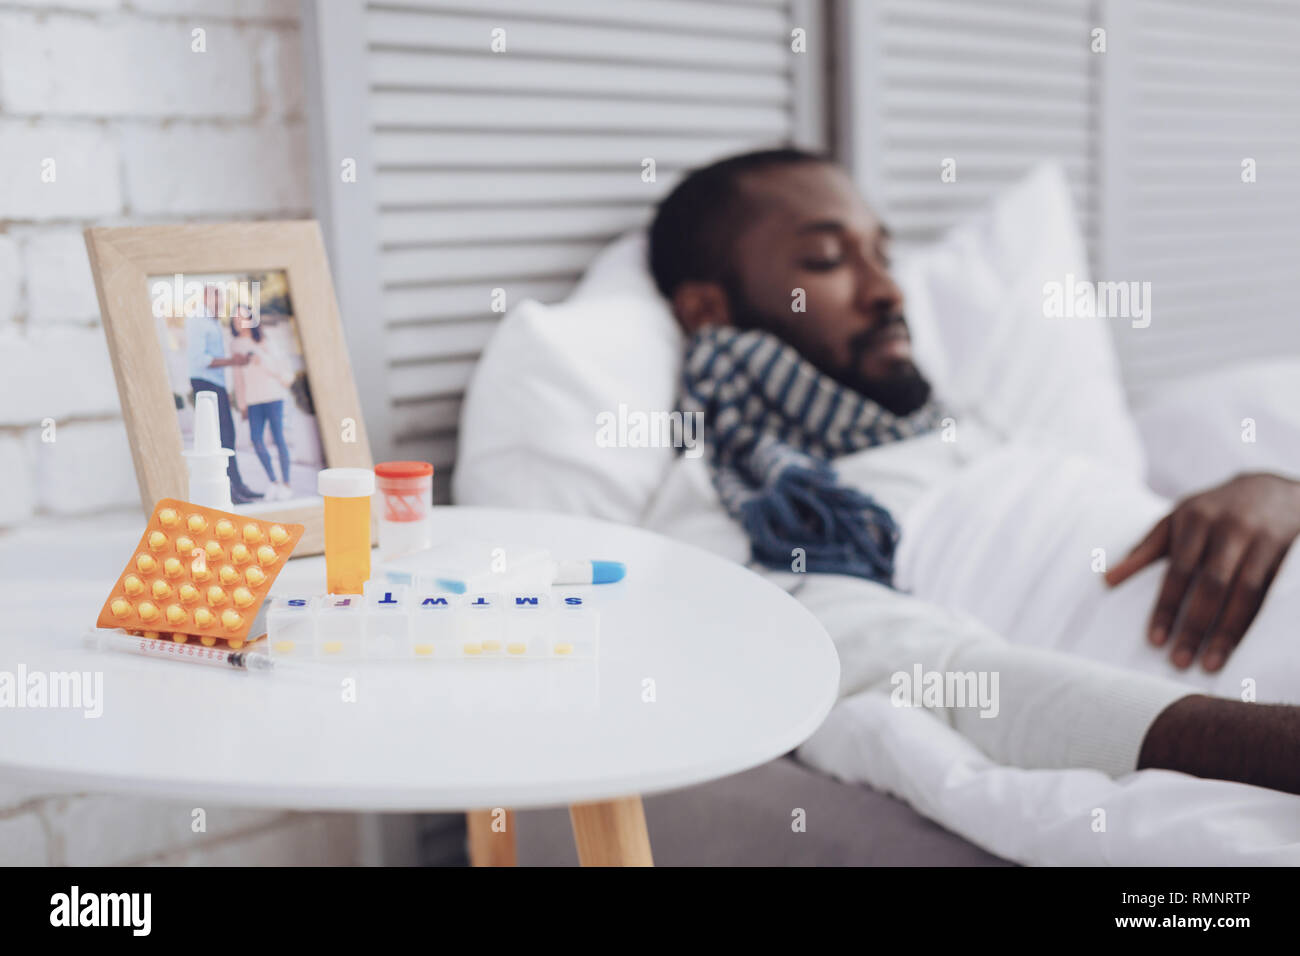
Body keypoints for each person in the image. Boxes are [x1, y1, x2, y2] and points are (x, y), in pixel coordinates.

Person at [648, 148, 1300, 795]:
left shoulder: (968, 425)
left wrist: (1274, 489)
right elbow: (956, 685)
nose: (888, 291)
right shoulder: (747, 512)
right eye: (825, 260)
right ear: (708, 310)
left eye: (883, 255)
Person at [187, 287, 260, 504]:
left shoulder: (212, 321)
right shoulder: (198, 321)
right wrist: (233, 361)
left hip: (215, 384)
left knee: (228, 436)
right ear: (206, 300)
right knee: (222, 438)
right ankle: (230, 490)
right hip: (205, 383)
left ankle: (237, 486)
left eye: (221, 302)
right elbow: (200, 360)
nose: (219, 306)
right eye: (215, 301)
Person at [230, 308, 295, 501]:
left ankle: (287, 484)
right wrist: (241, 403)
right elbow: (237, 376)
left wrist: (261, 358)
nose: (239, 322)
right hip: (252, 401)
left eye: (242, 318)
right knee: (256, 440)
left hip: (273, 396)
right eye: (235, 319)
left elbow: (279, 369)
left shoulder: (265, 340)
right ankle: (273, 481)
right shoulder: (235, 345)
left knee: (279, 440)